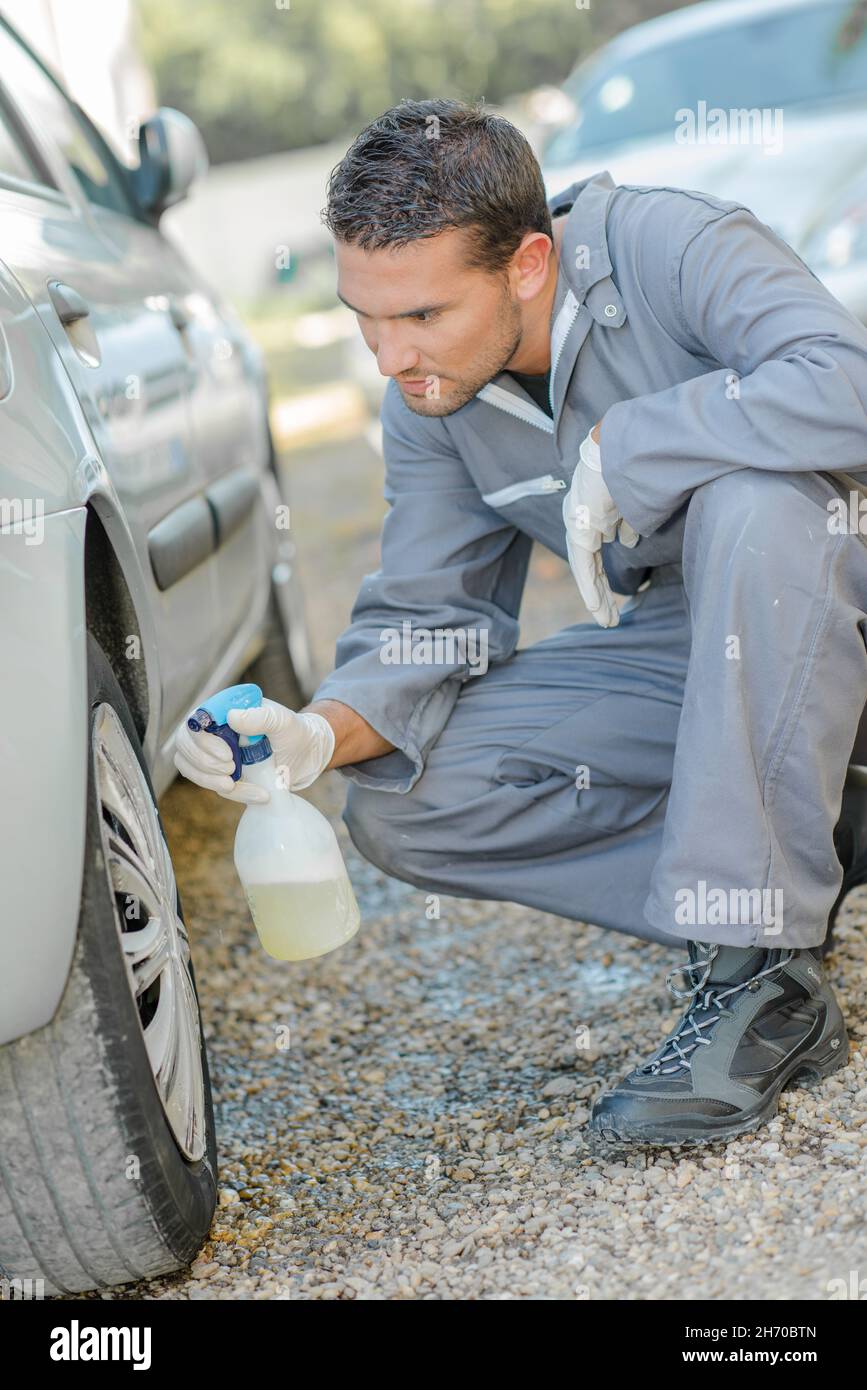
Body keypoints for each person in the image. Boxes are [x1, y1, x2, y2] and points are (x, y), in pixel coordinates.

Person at [174, 98, 867, 1146]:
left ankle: (754, 970)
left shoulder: (672, 243)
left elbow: (851, 383)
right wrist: (314, 734)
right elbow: (427, 615)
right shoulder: (431, 404)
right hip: (712, 648)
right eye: (366, 316)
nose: (388, 358)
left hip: (834, 589)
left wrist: (637, 446)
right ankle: (809, 838)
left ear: (530, 264)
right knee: (406, 802)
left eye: (421, 316)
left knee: (757, 501)